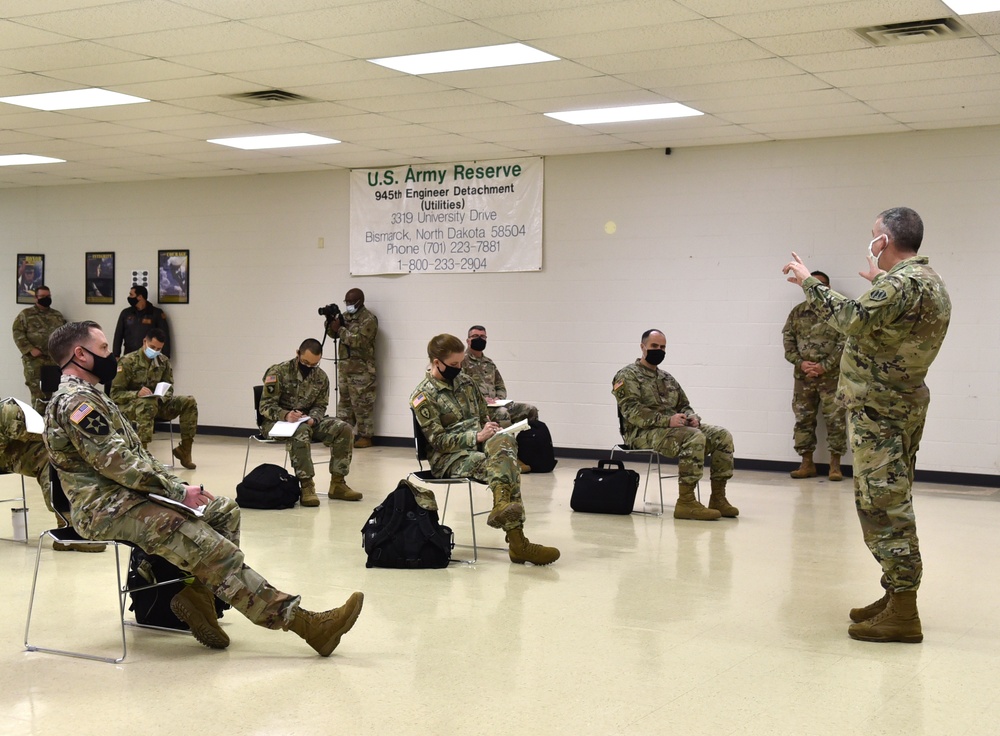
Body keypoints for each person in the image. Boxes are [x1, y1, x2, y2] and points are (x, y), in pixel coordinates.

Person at [44, 321, 363, 656]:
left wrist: (177, 487)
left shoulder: (95, 396)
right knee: (208, 544)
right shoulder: (76, 403)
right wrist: (177, 494)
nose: (111, 355)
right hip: (104, 509)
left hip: (131, 496)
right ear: (80, 354)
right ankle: (306, 625)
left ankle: (200, 599)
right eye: (104, 348)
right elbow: (118, 464)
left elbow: (137, 458)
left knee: (223, 511)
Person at [783, 206, 951, 644]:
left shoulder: (901, 284)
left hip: (880, 411)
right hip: (899, 405)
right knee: (889, 499)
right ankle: (895, 594)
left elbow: (851, 319)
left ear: (885, 240)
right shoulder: (927, 281)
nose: (870, 239)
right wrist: (880, 281)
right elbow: (888, 324)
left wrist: (809, 282)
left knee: (884, 507)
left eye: (873, 233)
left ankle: (904, 611)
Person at [410, 334, 559, 566]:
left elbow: (482, 417)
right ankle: (518, 543)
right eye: (453, 364)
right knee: (504, 465)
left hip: (479, 445)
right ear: (436, 362)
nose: (459, 368)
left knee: (505, 443)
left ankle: (502, 506)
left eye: (461, 363)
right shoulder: (423, 396)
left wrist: (491, 429)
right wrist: (476, 436)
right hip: (449, 458)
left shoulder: (467, 383)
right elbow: (437, 440)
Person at [613, 329, 738, 521]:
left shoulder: (667, 378)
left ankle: (718, 498)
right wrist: (667, 420)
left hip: (672, 430)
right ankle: (686, 502)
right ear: (642, 347)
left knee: (722, 435)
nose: (659, 350)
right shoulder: (627, 375)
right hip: (640, 434)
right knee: (694, 436)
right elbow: (631, 411)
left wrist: (692, 417)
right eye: (654, 346)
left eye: (663, 347)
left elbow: (684, 405)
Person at [259, 338, 360, 506]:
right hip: (276, 422)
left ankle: (338, 483)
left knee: (344, 428)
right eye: (305, 362)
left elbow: (320, 405)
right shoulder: (278, 372)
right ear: (297, 353)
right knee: (300, 431)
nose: (309, 367)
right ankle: (306, 486)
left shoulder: (321, 377)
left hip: (306, 421)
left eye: (314, 364)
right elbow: (265, 406)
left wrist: (313, 418)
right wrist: (286, 415)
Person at [0, 396, 102, 552]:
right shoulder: (7, 411)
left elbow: (44, 436)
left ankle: (76, 522)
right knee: (50, 460)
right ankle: (67, 526)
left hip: (13, 448)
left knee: (56, 455)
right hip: (8, 454)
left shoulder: (8, 410)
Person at [782, 270, 847, 481]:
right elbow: (788, 342)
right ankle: (806, 463)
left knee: (835, 420)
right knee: (803, 420)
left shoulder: (838, 312)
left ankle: (835, 466)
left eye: (821, 285)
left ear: (828, 288)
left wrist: (824, 366)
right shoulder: (797, 313)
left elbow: (845, 343)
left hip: (832, 377)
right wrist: (801, 363)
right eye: (812, 284)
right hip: (804, 378)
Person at [110, 328, 198, 469]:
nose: (155, 351)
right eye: (152, 347)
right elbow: (115, 394)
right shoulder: (127, 361)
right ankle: (142, 452)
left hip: (156, 403)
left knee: (189, 401)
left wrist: (161, 396)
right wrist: (136, 393)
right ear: (144, 341)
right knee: (147, 403)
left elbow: (169, 387)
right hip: (131, 406)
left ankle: (185, 450)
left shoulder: (163, 361)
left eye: (159, 349)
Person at [324, 288, 378, 448]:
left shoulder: (368, 319)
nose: (348, 304)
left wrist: (340, 329)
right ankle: (342, 435)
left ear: (360, 301)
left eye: (351, 301)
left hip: (362, 371)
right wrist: (329, 322)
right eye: (346, 301)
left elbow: (359, 341)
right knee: (344, 405)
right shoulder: (345, 316)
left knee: (362, 405)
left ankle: (366, 436)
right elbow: (334, 335)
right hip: (345, 368)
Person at [12, 285, 67, 410]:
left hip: (53, 361)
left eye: (48, 296)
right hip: (34, 361)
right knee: (39, 396)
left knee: (55, 394)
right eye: (42, 296)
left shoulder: (57, 315)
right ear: (36, 298)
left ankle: (52, 420)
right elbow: (17, 332)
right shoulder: (26, 315)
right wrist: (30, 349)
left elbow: (64, 335)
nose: (46, 298)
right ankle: (38, 420)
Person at [113, 285, 171, 358]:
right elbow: (118, 335)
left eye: (131, 295)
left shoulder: (156, 313)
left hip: (149, 355)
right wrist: (116, 355)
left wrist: (166, 356)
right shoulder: (126, 313)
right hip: (129, 355)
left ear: (140, 297)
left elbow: (164, 336)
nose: (129, 297)